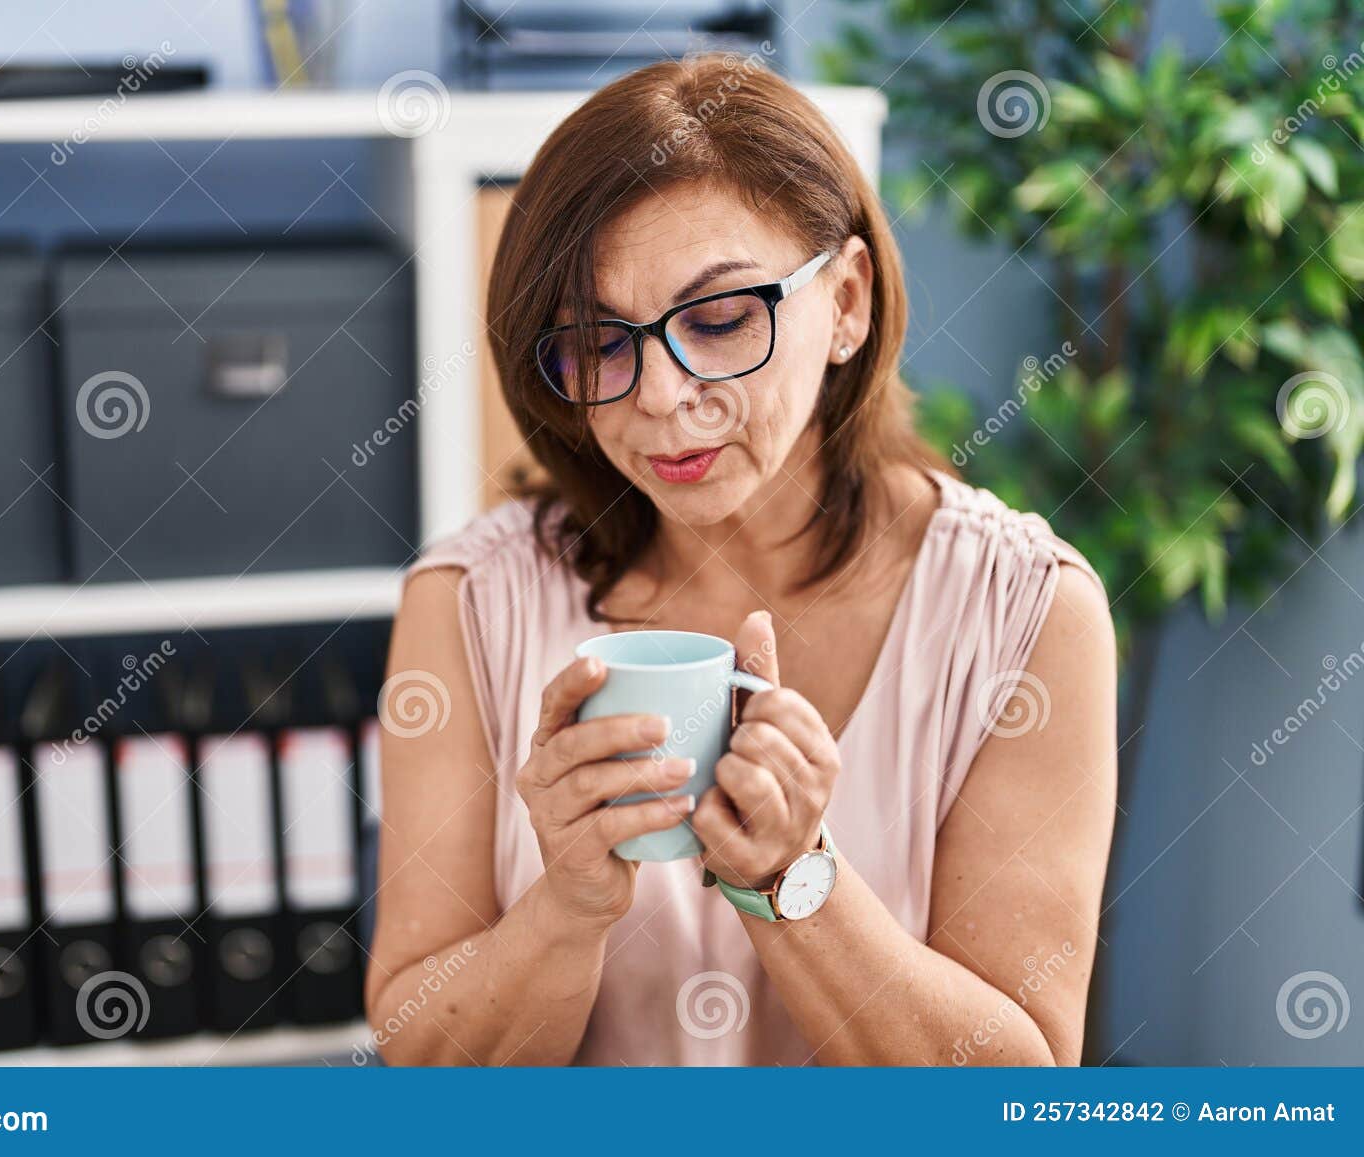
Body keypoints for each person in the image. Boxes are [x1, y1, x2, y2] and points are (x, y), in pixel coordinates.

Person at [364, 54, 1116, 1066]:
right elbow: (420, 1058)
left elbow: (1012, 1088)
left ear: (846, 301)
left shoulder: (1025, 610)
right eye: (598, 343)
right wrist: (565, 909)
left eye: (719, 321)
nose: (661, 397)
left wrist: (794, 881)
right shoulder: (469, 601)